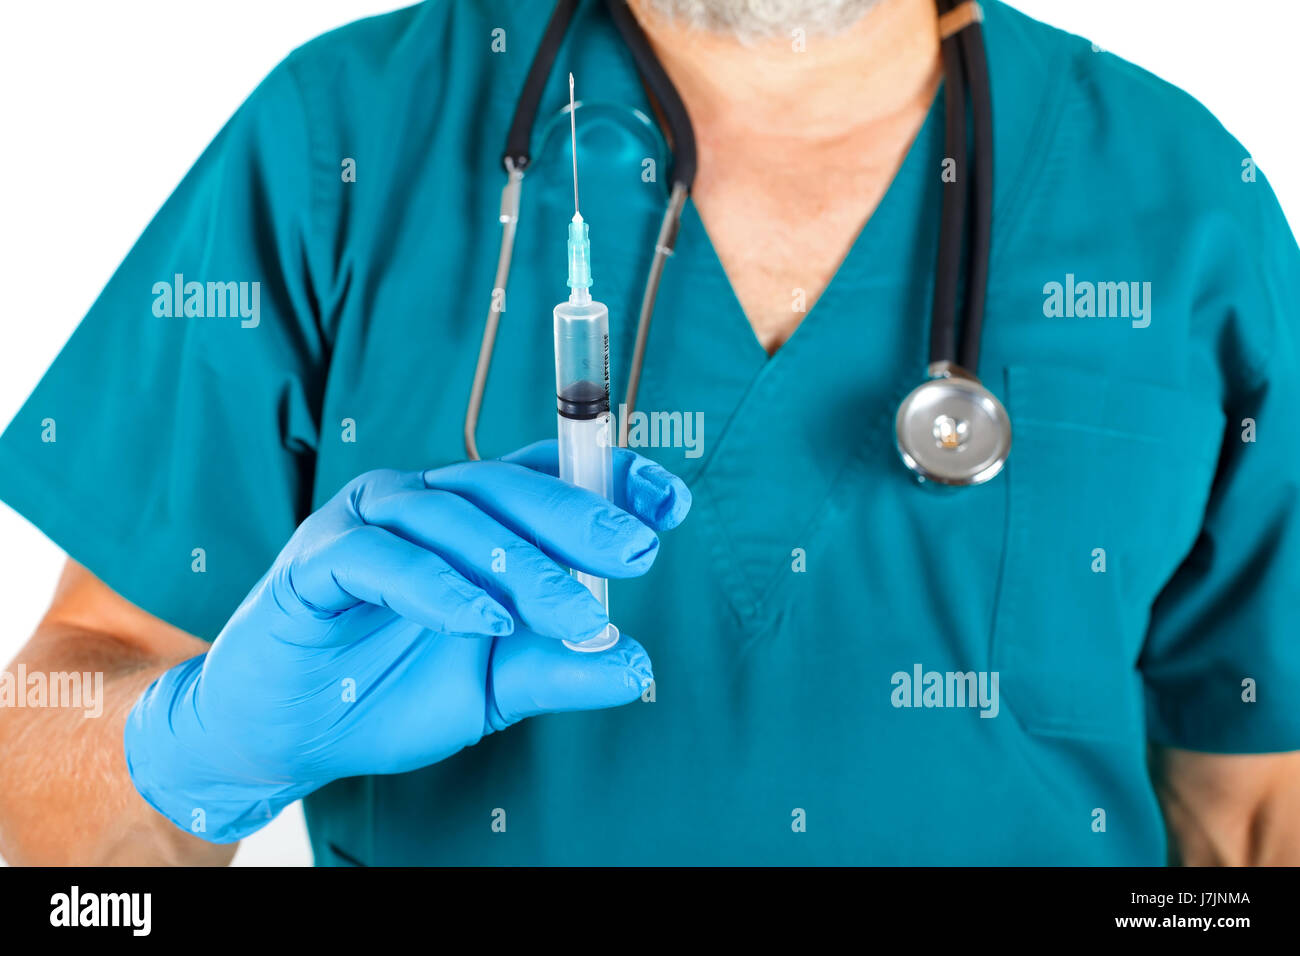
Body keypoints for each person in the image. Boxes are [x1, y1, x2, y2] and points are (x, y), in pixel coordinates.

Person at [0, 0, 1297, 866]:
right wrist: (190, 751)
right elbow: (56, 767)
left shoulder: (1181, 199)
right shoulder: (343, 134)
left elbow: (1253, 810)